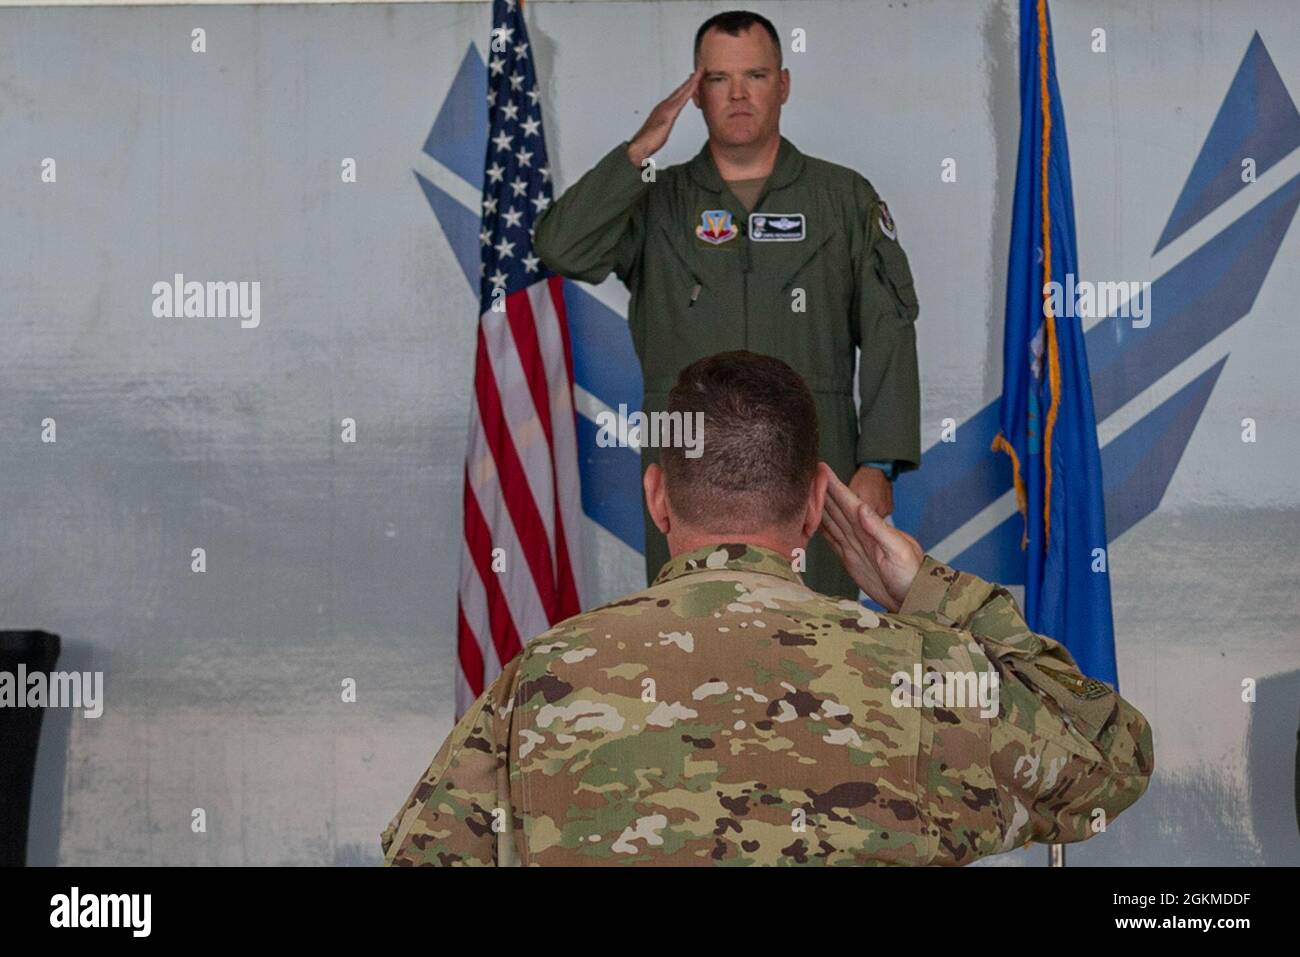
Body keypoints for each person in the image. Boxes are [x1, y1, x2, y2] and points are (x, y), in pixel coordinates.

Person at [381, 351, 1153, 866]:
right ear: (819, 501)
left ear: (656, 495)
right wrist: (929, 591)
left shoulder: (542, 681)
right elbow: (1113, 752)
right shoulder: (923, 675)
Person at [534, 10, 920, 600]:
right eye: (718, 79)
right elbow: (560, 247)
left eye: (756, 76)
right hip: (687, 455)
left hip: (813, 458)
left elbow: (890, 329)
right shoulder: (655, 201)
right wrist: (639, 150)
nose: (738, 95)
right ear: (693, 92)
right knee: (689, 635)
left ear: (783, 85)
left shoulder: (841, 198)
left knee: (816, 641)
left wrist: (880, 464)